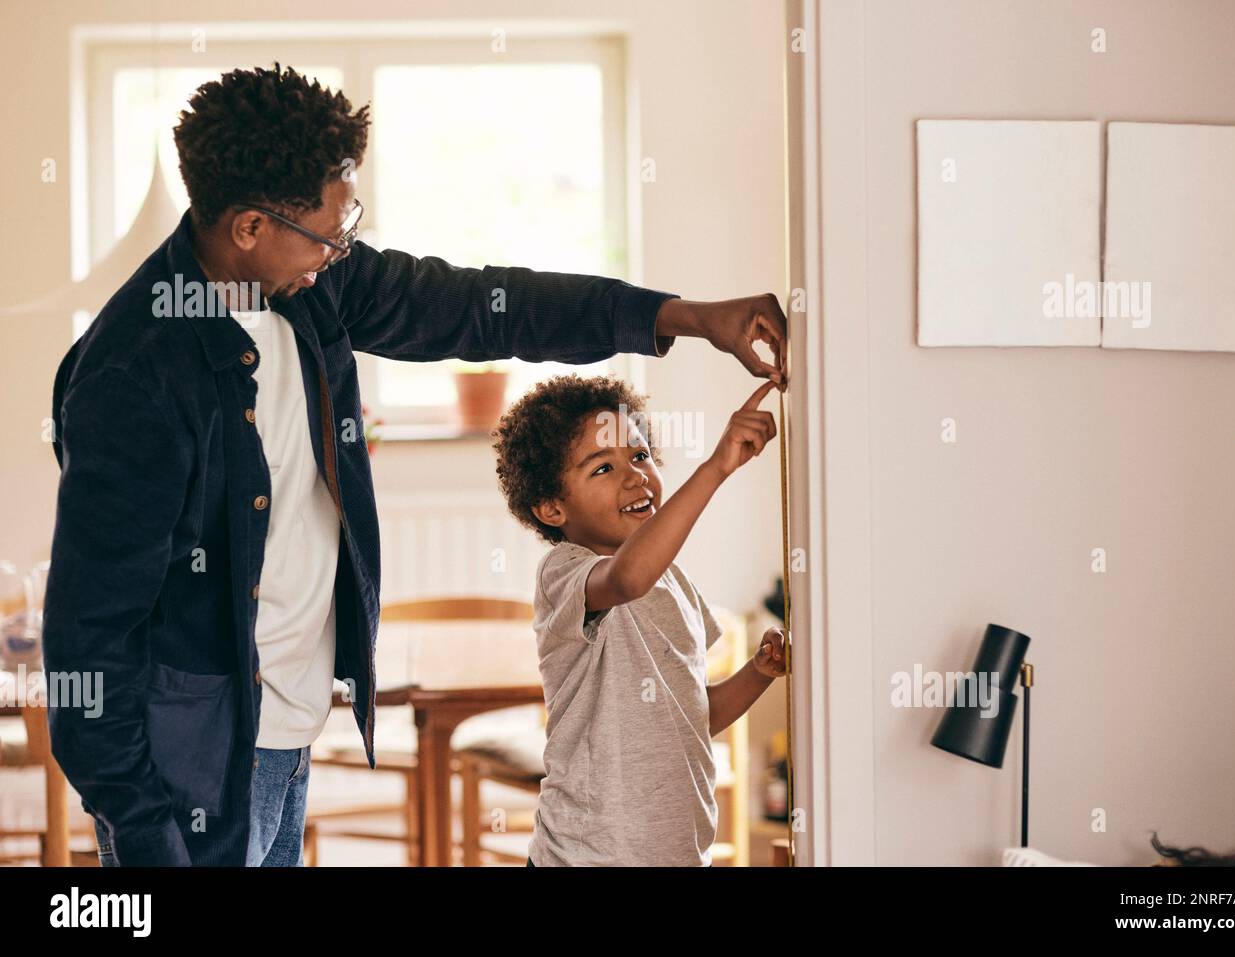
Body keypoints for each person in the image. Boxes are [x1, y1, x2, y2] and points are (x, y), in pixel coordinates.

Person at [43, 62, 788, 867]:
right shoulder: (132, 375)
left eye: (349, 221)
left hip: (287, 734)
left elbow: (481, 304)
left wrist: (680, 315)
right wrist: (148, 838)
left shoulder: (308, 283)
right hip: (195, 768)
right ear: (250, 227)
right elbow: (87, 645)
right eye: (329, 234)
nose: (343, 250)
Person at [490, 374, 788, 865]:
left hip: (676, 853)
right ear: (551, 508)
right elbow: (627, 578)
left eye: (641, 455)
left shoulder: (674, 582)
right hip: (586, 855)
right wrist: (716, 467)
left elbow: (694, 714)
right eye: (603, 468)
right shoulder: (565, 574)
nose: (635, 476)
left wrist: (759, 671)